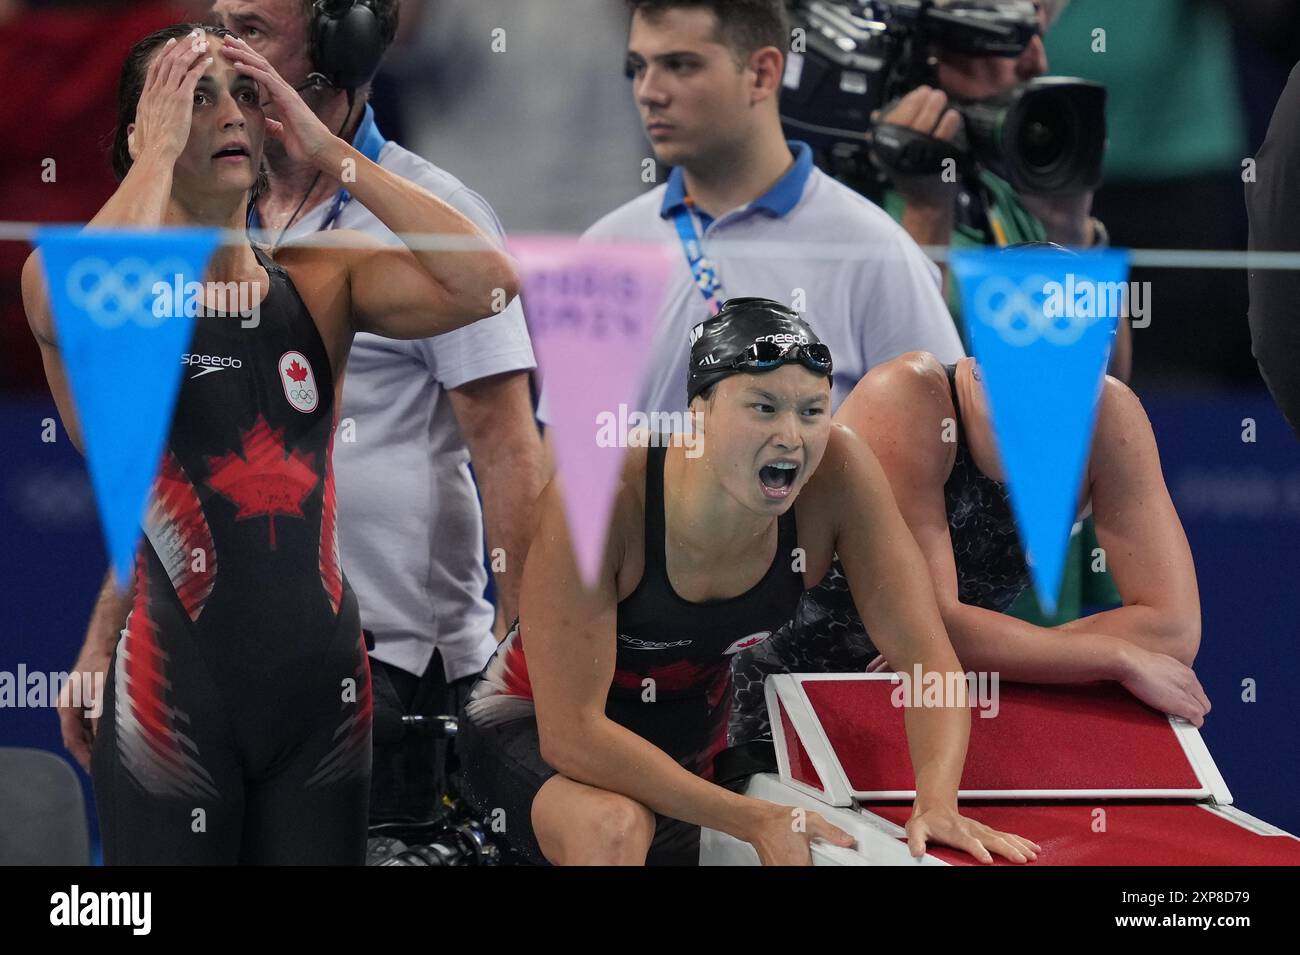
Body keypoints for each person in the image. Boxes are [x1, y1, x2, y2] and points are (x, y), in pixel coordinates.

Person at [24, 24, 519, 863]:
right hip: (172, 703)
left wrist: (333, 152)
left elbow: (490, 284)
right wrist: (152, 161)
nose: (227, 115)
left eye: (244, 94)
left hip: (323, 701)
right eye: (195, 95)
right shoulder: (65, 274)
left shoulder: (321, 278)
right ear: (145, 128)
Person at [459, 297, 1041, 866]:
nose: (793, 435)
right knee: (613, 827)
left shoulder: (838, 472)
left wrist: (936, 802)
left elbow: (925, 657)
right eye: (763, 407)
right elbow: (572, 734)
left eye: (812, 411)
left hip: (689, 740)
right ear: (699, 412)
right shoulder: (602, 498)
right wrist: (750, 818)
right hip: (535, 726)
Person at [732, 348, 1210, 746]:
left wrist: (988, 656)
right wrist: (1115, 657)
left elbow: (1171, 631)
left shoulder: (1110, 416)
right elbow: (930, 625)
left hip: (934, 707)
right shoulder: (906, 397)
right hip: (771, 704)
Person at [548, 0, 964, 428]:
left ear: (762, 74)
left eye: (680, 65)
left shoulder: (874, 251)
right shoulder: (604, 250)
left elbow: (938, 447)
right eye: (638, 66)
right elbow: (567, 467)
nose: (648, 92)